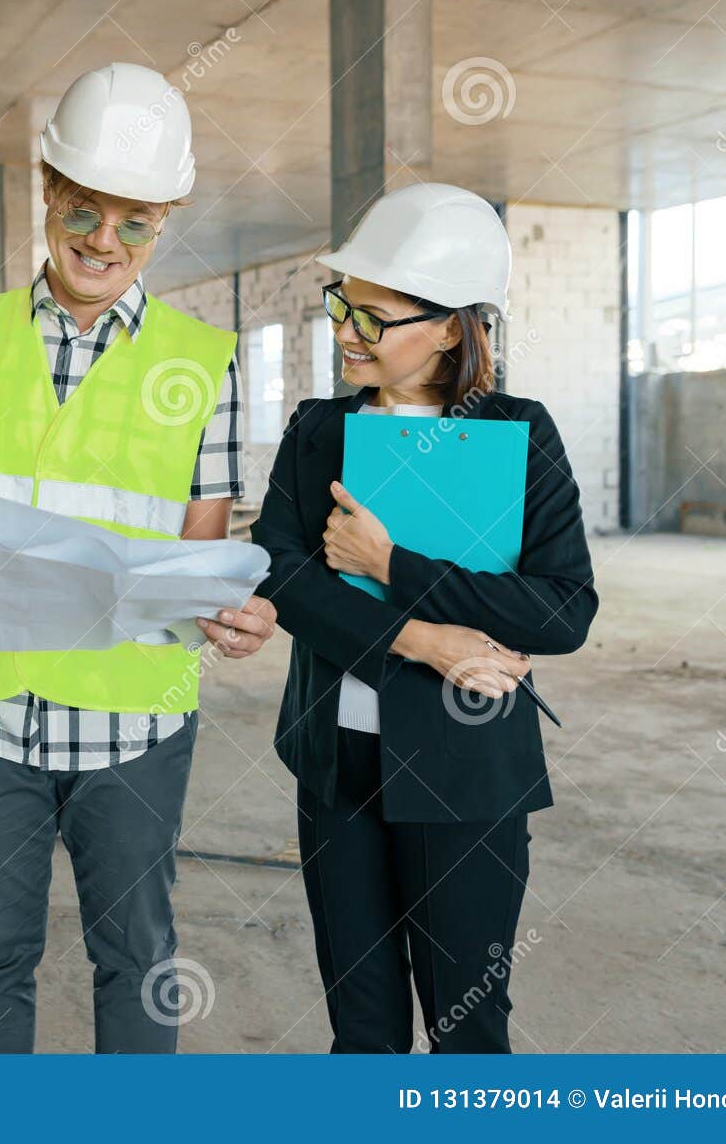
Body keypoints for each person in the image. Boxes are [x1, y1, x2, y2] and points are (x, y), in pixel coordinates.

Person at [0, 62, 276, 1054]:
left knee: (136, 958)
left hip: (132, 725)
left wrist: (231, 616)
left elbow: (196, 563)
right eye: (85, 209)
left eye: (135, 222)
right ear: (48, 188)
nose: (102, 241)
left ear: (165, 219)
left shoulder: (200, 362)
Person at [249, 182, 598, 1053]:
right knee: (361, 1031)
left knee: (468, 1028)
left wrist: (390, 565)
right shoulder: (317, 429)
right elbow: (284, 575)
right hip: (339, 770)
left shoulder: (520, 432)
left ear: (451, 325)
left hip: (466, 770)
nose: (346, 332)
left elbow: (563, 607)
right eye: (343, 307)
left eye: (374, 317)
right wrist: (423, 639)